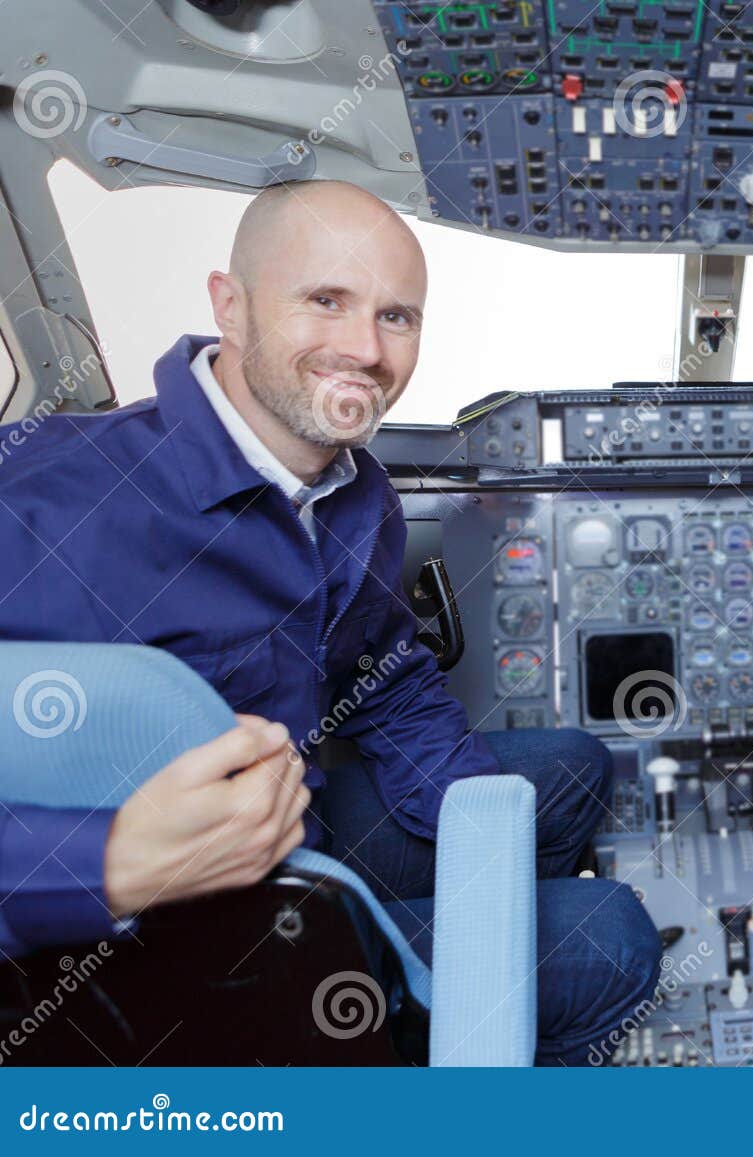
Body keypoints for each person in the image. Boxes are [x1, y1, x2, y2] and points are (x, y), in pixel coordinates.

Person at [0, 180, 658, 1065]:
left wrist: (482, 841)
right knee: (611, 933)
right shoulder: (47, 503)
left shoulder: (358, 494)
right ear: (229, 307)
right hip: (158, 947)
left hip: (290, 832)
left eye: (397, 316)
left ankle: (480, 975)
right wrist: (112, 861)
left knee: (570, 771)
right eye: (325, 300)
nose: (365, 348)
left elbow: (381, 671)